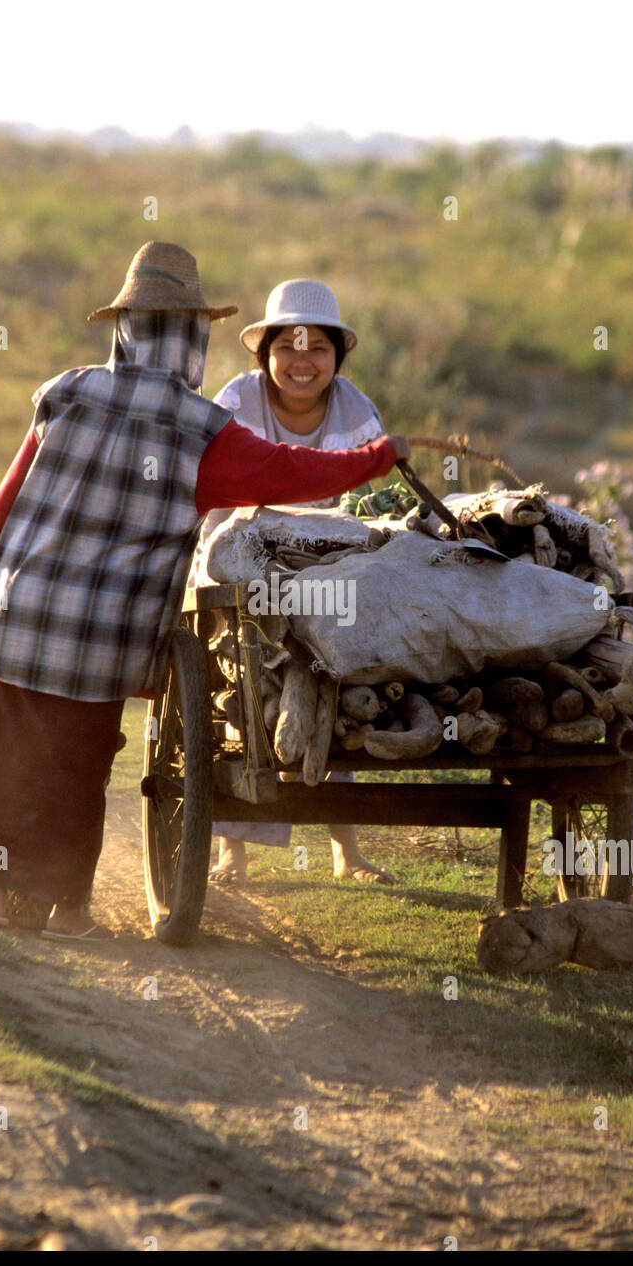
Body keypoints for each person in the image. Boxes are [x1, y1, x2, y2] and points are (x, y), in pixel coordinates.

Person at [0, 244, 409, 942]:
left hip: (22, 613)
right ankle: (65, 908)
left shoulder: (65, 391)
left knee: (3, 753)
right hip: (102, 637)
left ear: (123, 330)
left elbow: (5, 504)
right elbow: (293, 476)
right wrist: (378, 457)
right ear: (192, 337)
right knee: (77, 765)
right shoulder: (200, 429)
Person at [202, 279, 398, 887]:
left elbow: (373, 513)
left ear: (337, 357)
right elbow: (222, 488)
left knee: (337, 680)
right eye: (289, 346)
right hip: (243, 560)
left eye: (318, 348)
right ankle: (230, 849)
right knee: (241, 682)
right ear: (266, 355)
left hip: (332, 569)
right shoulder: (236, 400)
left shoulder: (358, 413)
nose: (303, 361)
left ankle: (346, 850)